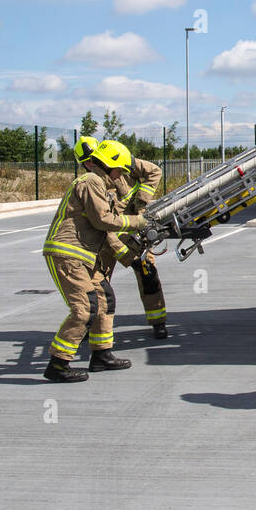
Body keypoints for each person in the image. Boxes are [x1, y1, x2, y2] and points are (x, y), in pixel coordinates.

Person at [41, 139, 145, 383]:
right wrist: (138, 222)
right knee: (84, 308)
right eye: (120, 170)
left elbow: (106, 232)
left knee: (104, 299)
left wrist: (131, 257)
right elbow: (103, 220)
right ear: (109, 165)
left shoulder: (100, 184)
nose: (121, 177)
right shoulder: (91, 182)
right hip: (68, 255)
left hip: (85, 257)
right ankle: (58, 364)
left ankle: (101, 355)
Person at [110, 155, 170, 339]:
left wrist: (141, 201)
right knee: (99, 284)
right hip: (107, 236)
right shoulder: (91, 182)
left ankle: (158, 322)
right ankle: (92, 325)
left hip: (135, 232)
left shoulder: (121, 161)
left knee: (148, 276)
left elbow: (154, 171)